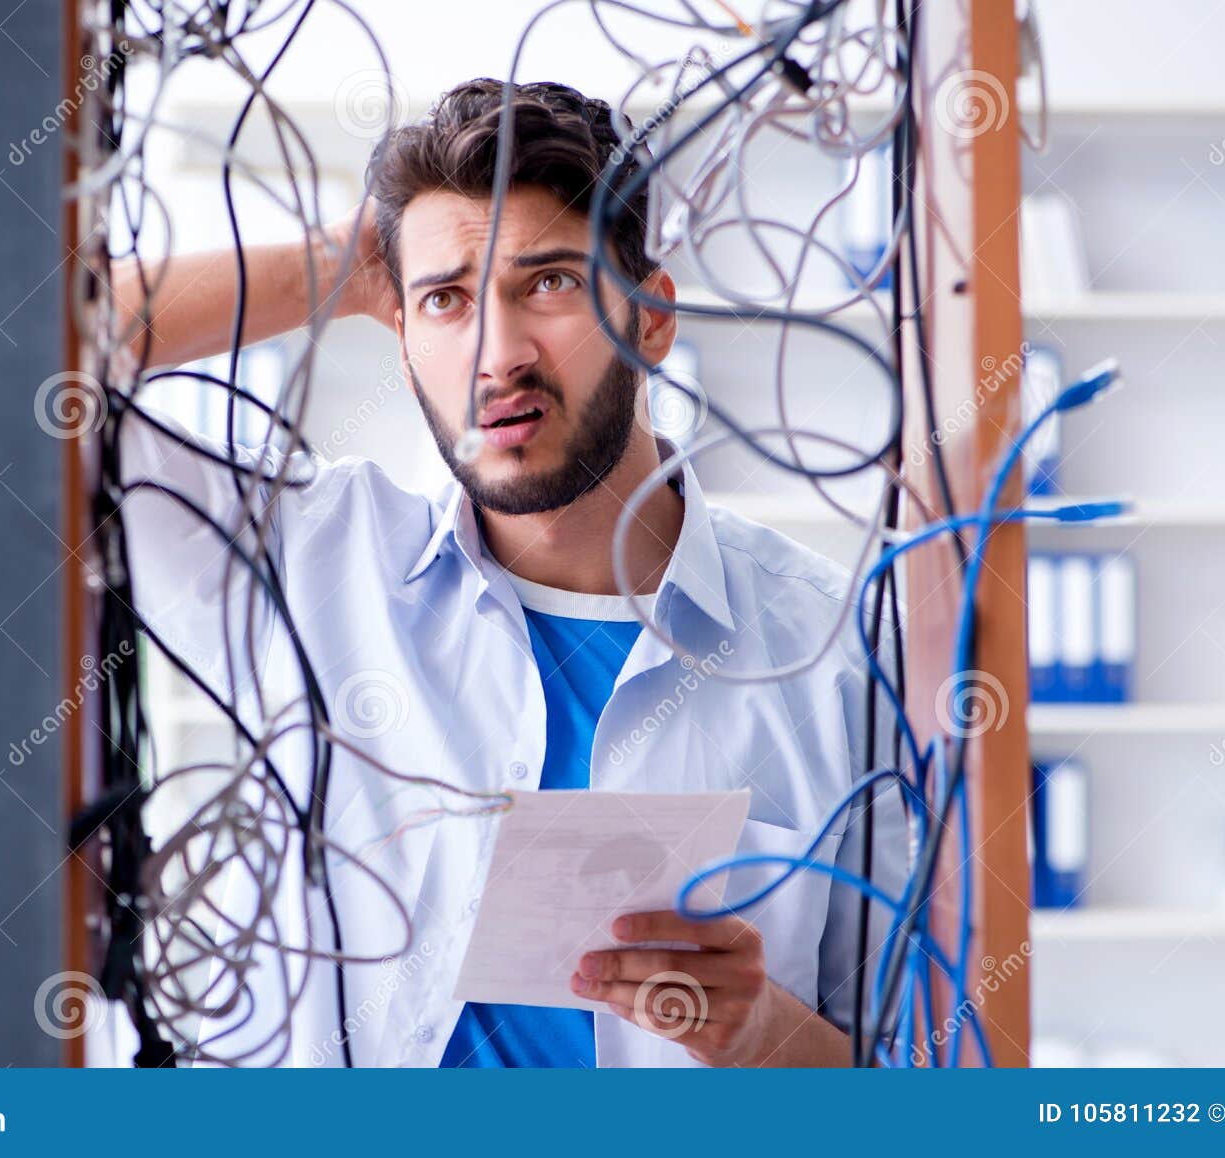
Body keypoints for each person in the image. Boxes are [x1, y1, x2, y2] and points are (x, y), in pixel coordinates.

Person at [113, 77, 907, 1068]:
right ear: (401, 339)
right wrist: (335, 265)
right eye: (445, 301)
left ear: (652, 319)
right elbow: (4, 359)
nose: (498, 356)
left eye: (549, 283)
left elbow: (939, 1078)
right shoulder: (302, 558)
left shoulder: (835, 652)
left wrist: (768, 1038)